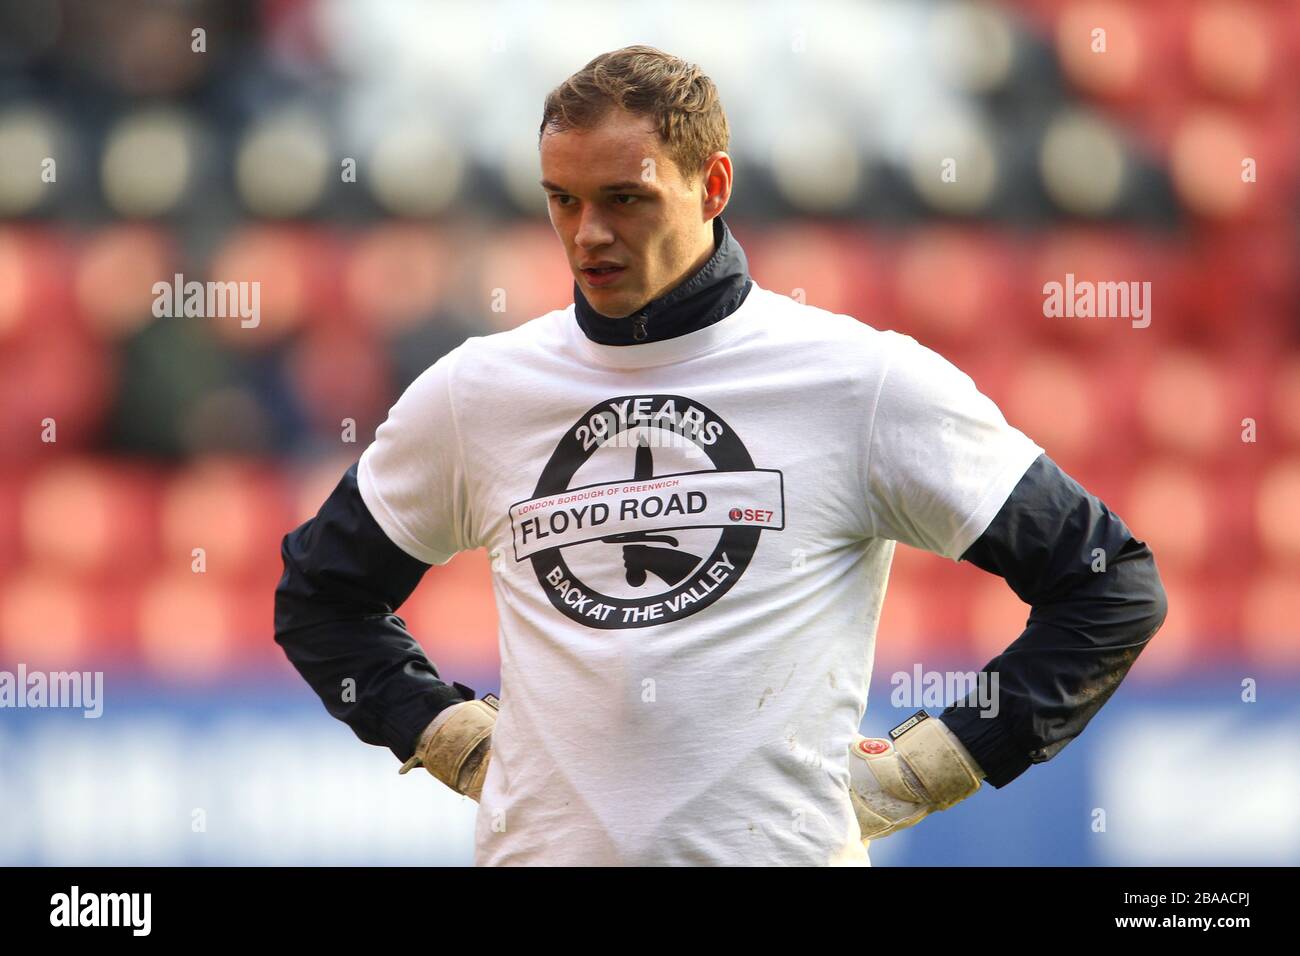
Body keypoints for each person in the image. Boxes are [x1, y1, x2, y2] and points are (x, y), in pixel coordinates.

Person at [274, 45, 1167, 866]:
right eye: (562, 199)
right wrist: (443, 733)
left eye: (625, 198)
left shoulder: (861, 381)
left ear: (714, 186)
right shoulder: (477, 392)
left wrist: (936, 766)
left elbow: (1109, 584)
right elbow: (321, 598)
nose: (587, 234)